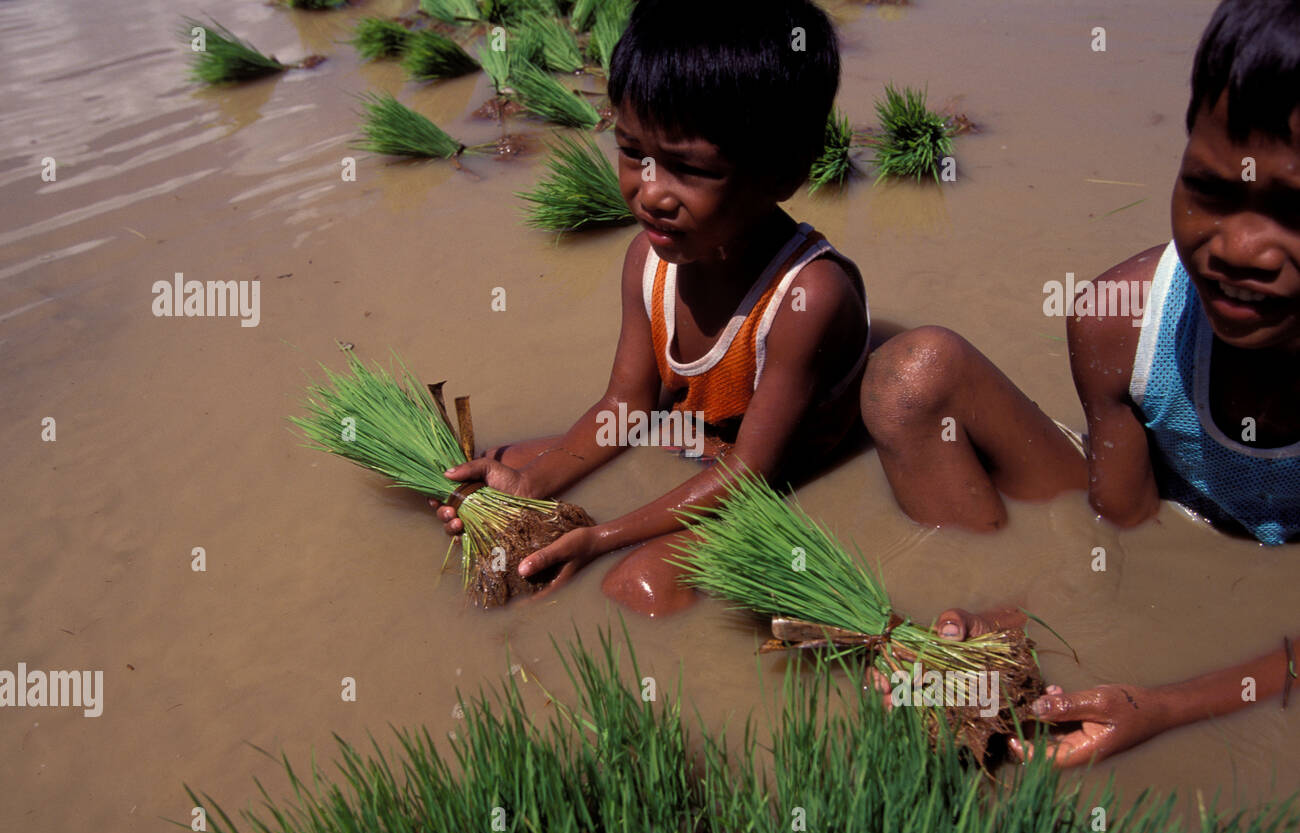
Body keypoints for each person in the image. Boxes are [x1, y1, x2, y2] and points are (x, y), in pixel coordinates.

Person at [869, 0, 1300, 765]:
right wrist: (1020, 614)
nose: (1239, 248)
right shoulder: (1118, 321)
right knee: (911, 377)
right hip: (1171, 501)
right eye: (1209, 190)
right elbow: (1119, 526)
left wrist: (1167, 705)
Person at [435, 0, 870, 616]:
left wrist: (600, 536)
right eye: (633, 151)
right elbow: (624, 407)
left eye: (688, 168)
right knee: (499, 465)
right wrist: (534, 486)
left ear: (782, 173)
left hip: (768, 480)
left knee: (638, 585)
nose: (650, 190)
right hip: (690, 444)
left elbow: (751, 475)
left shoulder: (808, 297)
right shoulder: (648, 261)